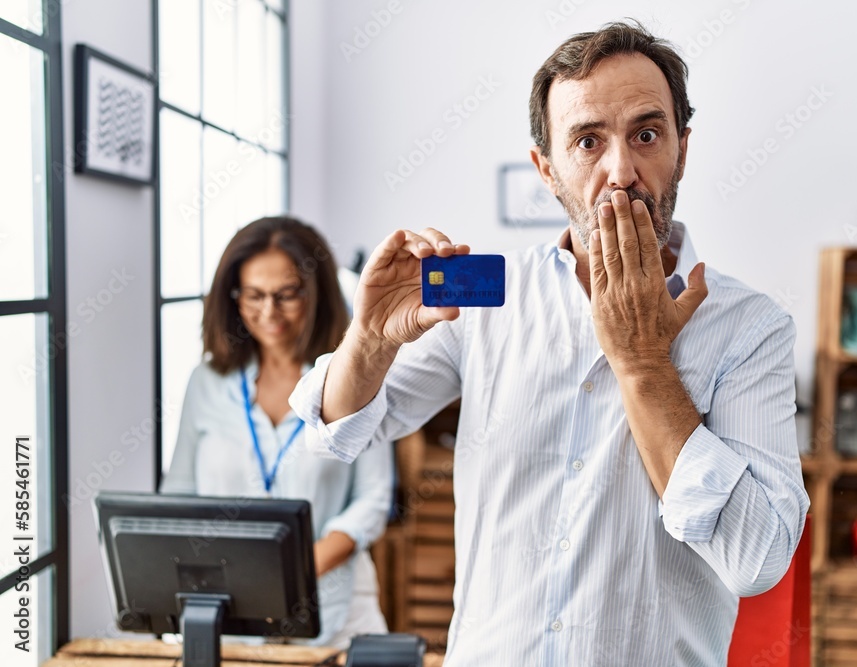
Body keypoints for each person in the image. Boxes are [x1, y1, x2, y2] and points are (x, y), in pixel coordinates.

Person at [290, 21, 809, 665]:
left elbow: (756, 559)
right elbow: (335, 433)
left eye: (647, 134)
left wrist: (644, 365)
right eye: (588, 141)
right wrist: (368, 341)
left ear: (682, 147)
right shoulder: (489, 294)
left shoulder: (750, 326)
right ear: (547, 168)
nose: (622, 172)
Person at [161, 216, 392, 649]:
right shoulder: (206, 382)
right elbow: (181, 491)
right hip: (226, 612)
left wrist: (298, 569)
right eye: (253, 295)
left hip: (335, 609)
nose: (268, 312)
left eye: (286, 295)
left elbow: (373, 499)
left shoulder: (352, 376)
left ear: (315, 292)